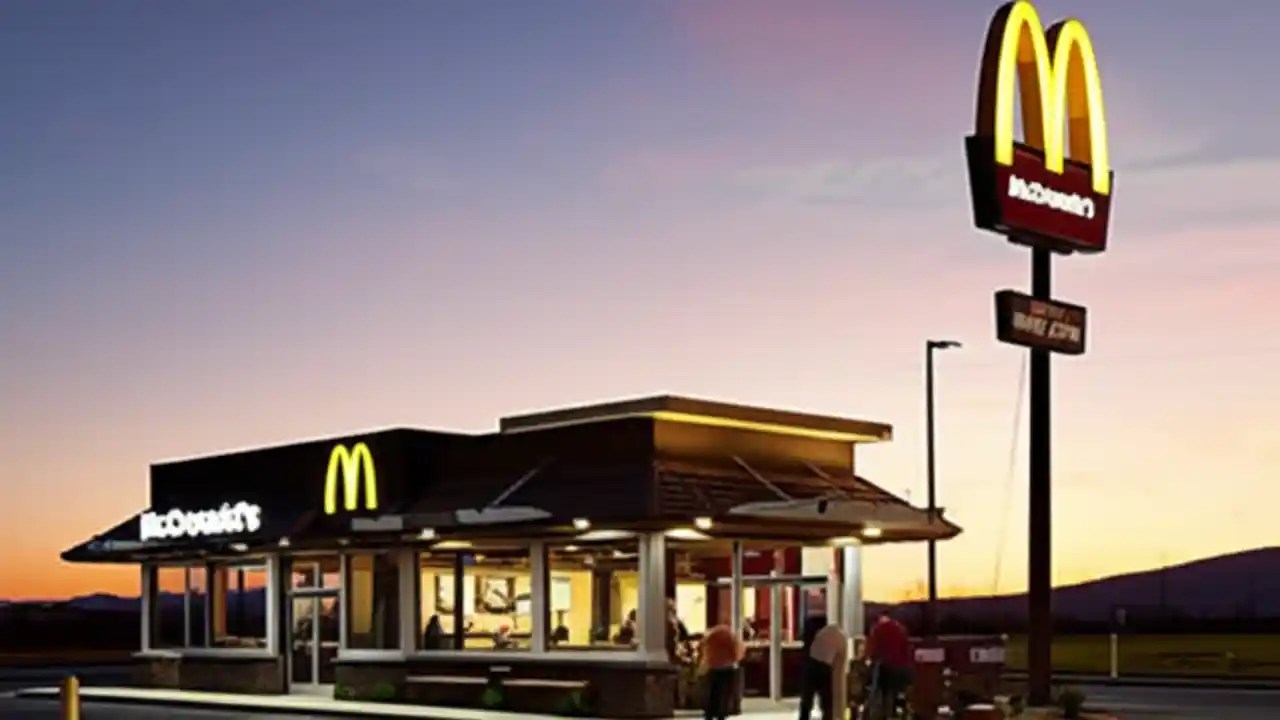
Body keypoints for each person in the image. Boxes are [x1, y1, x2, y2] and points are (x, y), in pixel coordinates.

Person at [799, 616, 848, 720]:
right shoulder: (841, 638)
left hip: (811, 663)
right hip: (824, 667)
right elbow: (839, 667)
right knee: (826, 701)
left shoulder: (823, 633)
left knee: (807, 698)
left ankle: (803, 717)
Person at [864, 612, 912, 714]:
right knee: (898, 692)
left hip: (885, 667)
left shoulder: (877, 629)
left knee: (882, 692)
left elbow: (872, 648)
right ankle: (898, 710)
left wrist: (868, 659)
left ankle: (884, 712)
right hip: (901, 667)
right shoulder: (900, 628)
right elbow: (906, 648)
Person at [700, 622, 744, 720]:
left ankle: (710, 713)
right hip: (727, 667)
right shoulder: (730, 636)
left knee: (713, 692)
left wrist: (706, 661)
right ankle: (722, 713)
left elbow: (704, 649)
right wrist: (735, 659)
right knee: (725, 693)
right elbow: (737, 650)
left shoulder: (711, 636)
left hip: (713, 667)